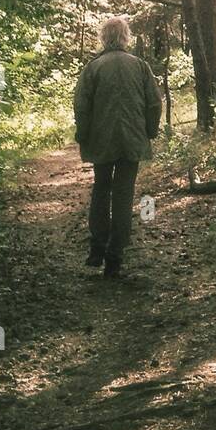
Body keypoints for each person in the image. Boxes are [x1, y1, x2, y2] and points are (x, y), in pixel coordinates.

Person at [72, 15, 163, 278]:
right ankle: (115, 256)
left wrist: (83, 133)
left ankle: (97, 249)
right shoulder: (140, 66)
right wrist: (150, 130)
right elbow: (154, 102)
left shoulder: (93, 68)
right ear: (125, 37)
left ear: (104, 37)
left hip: (102, 140)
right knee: (124, 194)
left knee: (101, 189)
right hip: (132, 140)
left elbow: (82, 105)